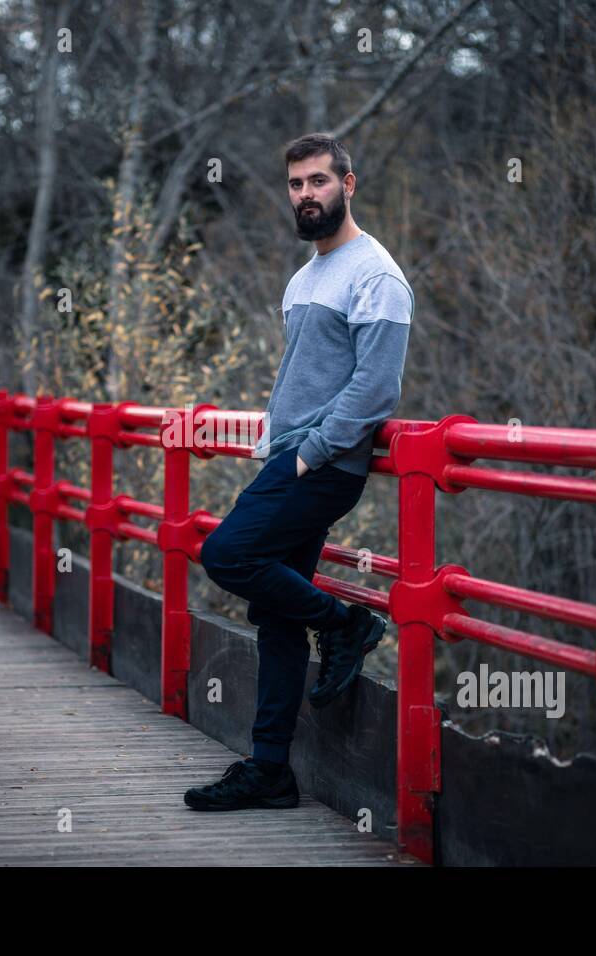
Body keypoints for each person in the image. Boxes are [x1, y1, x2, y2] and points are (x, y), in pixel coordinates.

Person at [185, 133, 413, 811]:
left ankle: (345, 625)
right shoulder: (304, 277)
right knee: (276, 612)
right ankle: (269, 770)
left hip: (322, 465)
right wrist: (277, 442)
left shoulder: (377, 275)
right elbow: (304, 378)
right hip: (291, 458)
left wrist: (311, 452)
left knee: (225, 552)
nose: (307, 194)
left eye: (319, 181)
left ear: (349, 183)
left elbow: (376, 389)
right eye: (296, 184)